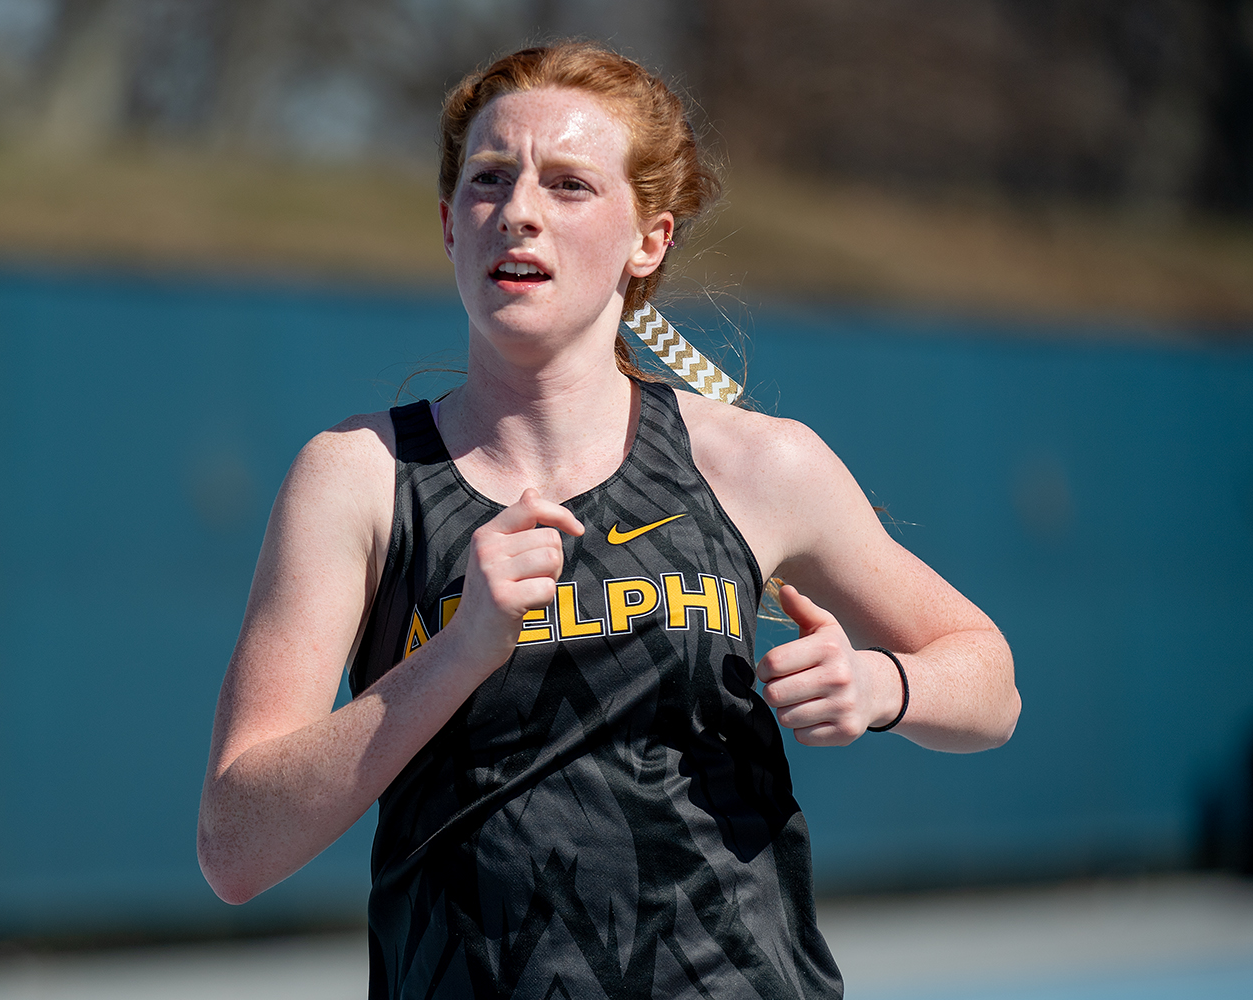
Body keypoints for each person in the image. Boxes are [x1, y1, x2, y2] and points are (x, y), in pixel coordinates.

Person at [197, 42, 1020, 998]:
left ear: (649, 240)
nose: (520, 212)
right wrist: (460, 650)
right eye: (490, 179)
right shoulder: (360, 478)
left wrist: (881, 687)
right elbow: (235, 848)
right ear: (448, 226)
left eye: (571, 185)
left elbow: (989, 681)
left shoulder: (758, 463)